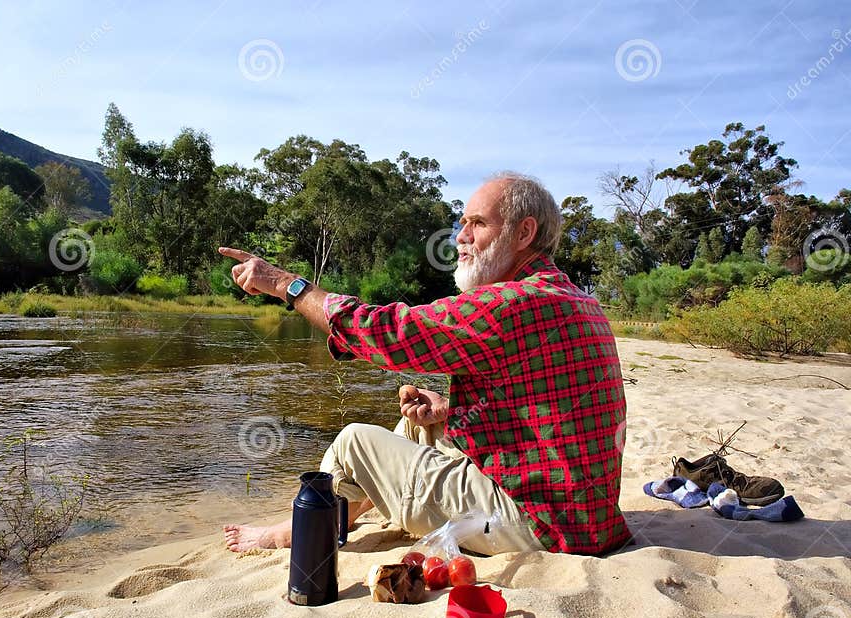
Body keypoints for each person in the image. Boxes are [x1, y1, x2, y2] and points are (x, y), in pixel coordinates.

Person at [221, 172, 631, 556]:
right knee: (417, 426)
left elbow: (385, 332)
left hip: (543, 523)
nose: (461, 237)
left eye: (477, 224)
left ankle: (302, 529)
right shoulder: (575, 299)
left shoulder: (512, 303)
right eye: (462, 224)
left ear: (524, 233)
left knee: (353, 442)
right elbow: (550, 408)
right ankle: (340, 515)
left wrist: (285, 285)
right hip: (584, 515)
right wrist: (450, 409)